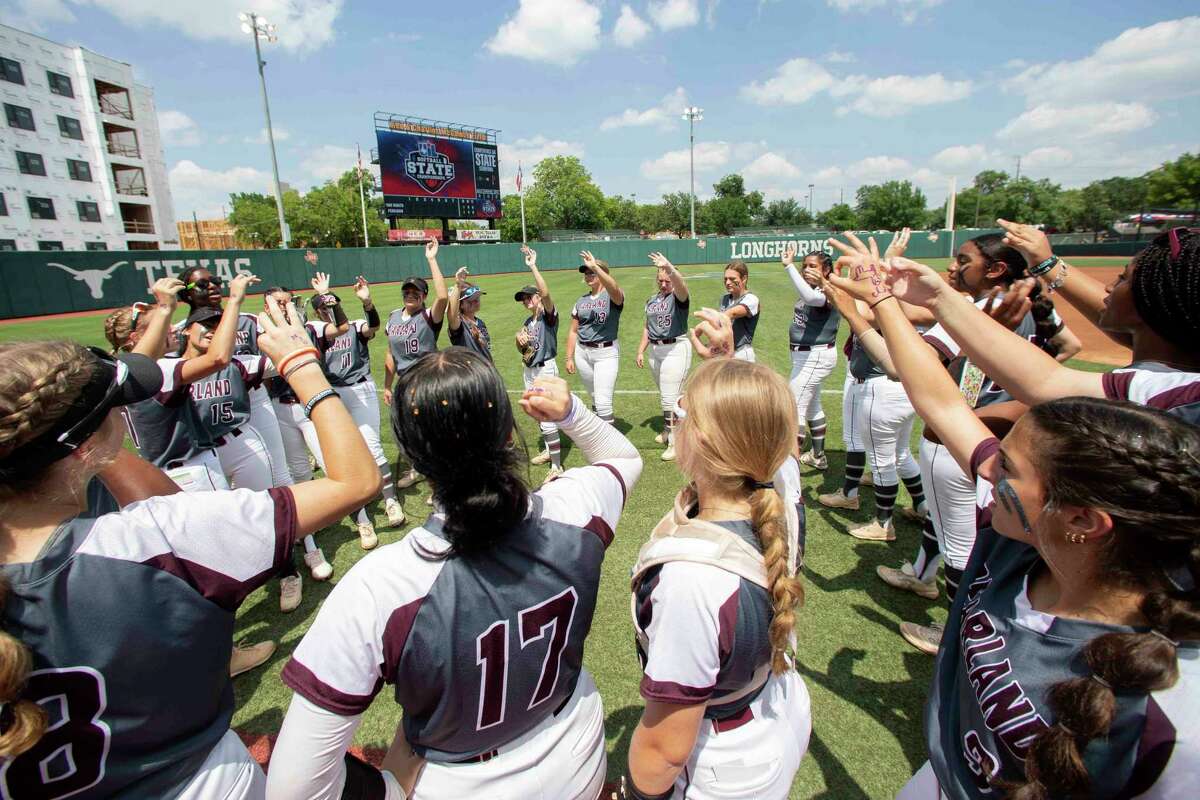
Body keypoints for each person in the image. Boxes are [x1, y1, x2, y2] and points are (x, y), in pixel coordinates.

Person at [828, 245, 1200, 800]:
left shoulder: (1168, 719)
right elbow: (945, 407)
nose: (987, 462)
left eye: (1009, 464)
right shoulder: (1023, 535)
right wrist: (885, 299)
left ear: (1082, 519)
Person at [0, 296, 380, 798]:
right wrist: (303, 367)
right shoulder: (154, 538)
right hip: (201, 784)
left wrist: (86, 446)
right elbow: (354, 481)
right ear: (86, 440)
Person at [267, 351, 643, 800]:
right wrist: (570, 413)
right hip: (577, 750)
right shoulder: (575, 509)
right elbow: (623, 457)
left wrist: (388, 787)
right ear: (509, 433)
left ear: (412, 455)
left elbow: (294, 789)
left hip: (461, 784)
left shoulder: (381, 586)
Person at [621, 357, 810, 800]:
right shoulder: (779, 489)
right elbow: (774, 439)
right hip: (776, 705)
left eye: (681, 415)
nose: (676, 422)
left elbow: (666, 749)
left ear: (702, 439)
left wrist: (638, 793)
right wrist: (734, 367)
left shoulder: (691, 580)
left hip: (723, 760)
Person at [176, 264, 293, 491]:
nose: (212, 286)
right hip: (207, 405)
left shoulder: (247, 320)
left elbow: (270, 355)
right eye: (202, 284)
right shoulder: (183, 330)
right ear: (187, 293)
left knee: (276, 470)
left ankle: (297, 525)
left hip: (253, 398)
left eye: (216, 281)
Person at [306, 275, 406, 539]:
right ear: (316, 311)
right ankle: (359, 507)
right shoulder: (314, 332)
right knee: (342, 453)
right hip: (332, 394)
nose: (327, 310)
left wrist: (368, 302)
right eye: (323, 307)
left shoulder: (352, 325)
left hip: (360, 390)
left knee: (372, 445)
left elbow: (372, 326)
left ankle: (390, 501)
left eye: (332, 305)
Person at [383, 237, 449, 491]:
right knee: (411, 432)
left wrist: (431, 259)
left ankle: (441, 479)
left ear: (423, 296)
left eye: (416, 292)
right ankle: (417, 469)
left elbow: (442, 297)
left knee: (433, 430)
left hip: (428, 381)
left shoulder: (427, 315)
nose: (411, 295)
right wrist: (388, 386)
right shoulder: (392, 318)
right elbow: (390, 354)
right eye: (407, 291)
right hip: (404, 382)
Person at [782, 243, 842, 470]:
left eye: (813, 266)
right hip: (806, 356)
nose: (807, 269)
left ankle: (789, 469)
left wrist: (789, 267)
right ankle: (818, 456)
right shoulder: (812, 288)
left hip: (815, 356)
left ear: (826, 270)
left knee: (793, 408)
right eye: (804, 265)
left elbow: (809, 298)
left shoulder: (826, 290)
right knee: (812, 406)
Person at [635, 252, 691, 461]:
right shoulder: (652, 300)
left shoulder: (679, 297)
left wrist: (669, 267)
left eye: (668, 280)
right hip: (655, 350)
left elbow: (681, 285)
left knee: (669, 398)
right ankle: (670, 429)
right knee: (667, 395)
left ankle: (675, 443)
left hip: (675, 348)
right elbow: (647, 327)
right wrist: (641, 349)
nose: (664, 284)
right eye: (661, 280)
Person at [515, 245, 564, 479]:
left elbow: (545, 293)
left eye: (528, 297)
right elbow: (524, 351)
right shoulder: (528, 322)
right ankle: (548, 449)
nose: (526, 301)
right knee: (536, 412)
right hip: (530, 370)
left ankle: (556, 465)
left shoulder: (548, 316)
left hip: (545, 369)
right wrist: (519, 340)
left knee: (546, 413)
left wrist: (533, 265)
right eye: (523, 299)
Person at [566, 250, 624, 425]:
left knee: (603, 402)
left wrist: (596, 268)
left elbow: (614, 288)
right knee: (593, 398)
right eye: (586, 273)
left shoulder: (612, 296)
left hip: (605, 352)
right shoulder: (581, 301)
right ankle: (599, 436)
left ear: (603, 273)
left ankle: (609, 445)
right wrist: (569, 356)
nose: (588, 275)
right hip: (583, 352)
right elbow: (573, 331)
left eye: (592, 272)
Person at [718, 261, 760, 362]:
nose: (727, 282)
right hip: (726, 353)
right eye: (725, 279)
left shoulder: (751, 299)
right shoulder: (724, 298)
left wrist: (704, 325)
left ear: (744, 279)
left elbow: (731, 314)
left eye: (732, 279)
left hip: (742, 354)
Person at [448, 267, 492, 362]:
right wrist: (458, 284)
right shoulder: (459, 324)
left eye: (477, 298)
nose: (476, 301)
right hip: (471, 373)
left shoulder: (480, 322)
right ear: (461, 305)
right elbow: (452, 313)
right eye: (471, 300)